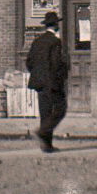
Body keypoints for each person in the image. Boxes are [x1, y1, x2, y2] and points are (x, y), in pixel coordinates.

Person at [25, 11, 69, 152]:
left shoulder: (37, 41)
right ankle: (43, 131)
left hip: (39, 83)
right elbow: (56, 63)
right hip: (52, 82)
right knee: (60, 109)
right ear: (56, 25)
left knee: (45, 113)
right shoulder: (55, 42)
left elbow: (29, 62)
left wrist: (38, 74)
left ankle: (47, 145)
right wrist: (63, 74)